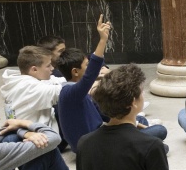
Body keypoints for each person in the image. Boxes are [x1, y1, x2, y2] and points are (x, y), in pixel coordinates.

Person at [57, 14, 166, 153]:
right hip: (93, 146)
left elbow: (104, 114)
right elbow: (90, 76)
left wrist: (136, 126)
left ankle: (139, 139)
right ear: (75, 72)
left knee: (141, 122)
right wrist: (103, 40)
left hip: (101, 135)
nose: (89, 67)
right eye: (86, 65)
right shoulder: (69, 93)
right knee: (160, 132)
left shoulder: (78, 93)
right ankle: (138, 142)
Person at [0, 45, 64, 133]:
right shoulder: (31, 89)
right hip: (38, 140)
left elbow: (54, 81)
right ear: (34, 69)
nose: (52, 68)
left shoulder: (20, 80)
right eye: (48, 66)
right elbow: (68, 91)